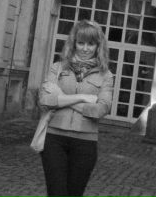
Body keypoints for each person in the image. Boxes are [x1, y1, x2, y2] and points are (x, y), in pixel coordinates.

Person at [38, 19, 114, 197]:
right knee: (57, 193)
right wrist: (82, 98)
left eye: (91, 44)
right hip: (54, 140)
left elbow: (101, 109)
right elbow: (44, 100)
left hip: (85, 143)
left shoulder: (106, 75)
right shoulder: (57, 68)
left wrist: (62, 99)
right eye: (81, 43)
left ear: (98, 46)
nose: (85, 49)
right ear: (73, 43)